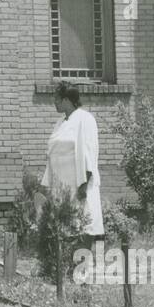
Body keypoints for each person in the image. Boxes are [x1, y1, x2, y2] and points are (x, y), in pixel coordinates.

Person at [40, 82, 104, 238]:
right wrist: (46, 183)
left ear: (67, 100)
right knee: (64, 227)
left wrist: (84, 184)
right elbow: (53, 153)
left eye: (57, 98)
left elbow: (89, 151)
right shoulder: (60, 122)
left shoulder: (85, 119)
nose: (54, 102)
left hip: (78, 182)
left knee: (82, 225)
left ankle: (83, 259)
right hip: (61, 184)